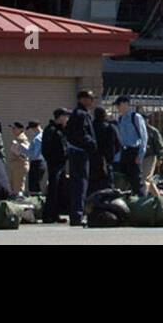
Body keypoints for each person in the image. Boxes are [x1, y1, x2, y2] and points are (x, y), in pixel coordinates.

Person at [64, 90, 97, 226]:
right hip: (80, 153)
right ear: (82, 99)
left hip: (76, 152)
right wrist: (92, 144)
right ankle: (78, 215)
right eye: (90, 98)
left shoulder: (77, 114)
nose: (92, 101)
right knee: (80, 184)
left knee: (78, 184)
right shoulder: (81, 114)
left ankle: (76, 214)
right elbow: (81, 134)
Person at [41, 109, 70, 223]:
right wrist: (52, 160)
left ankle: (56, 214)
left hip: (62, 163)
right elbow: (46, 149)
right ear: (60, 117)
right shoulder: (50, 130)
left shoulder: (61, 130)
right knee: (53, 189)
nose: (67, 119)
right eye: (65, 116)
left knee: (60, 190)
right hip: (54, 164)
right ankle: (48, 215)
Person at [114, 95, 148, 195]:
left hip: (134, 151)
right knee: (122, 180)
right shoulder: (120, 119)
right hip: (124, 152)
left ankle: (141, 203)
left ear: (125, 104)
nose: (117, 108)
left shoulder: (135, 117)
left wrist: (140, 155)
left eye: (118, 105)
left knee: (136, 181)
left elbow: (144, 137)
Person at [91, 107, 117, 192]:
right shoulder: (109, 127)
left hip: (91, 160)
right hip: (105, 160)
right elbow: (116, 144)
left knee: (92, 186)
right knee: (107, 186)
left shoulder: (90, 127)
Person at [6, 121, 30, 196]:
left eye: (14, 128)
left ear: (20, 129)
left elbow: (25, 154)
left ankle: (20, 204)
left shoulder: (21, 139)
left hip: (20, 165)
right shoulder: (18, 138)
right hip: (17, 166)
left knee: (18, 188)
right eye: (12, 128)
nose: (12, 130)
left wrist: (17, 150)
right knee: (14, 187)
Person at [24, 120, 45, 193]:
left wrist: (24, 151)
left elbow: (35, 154)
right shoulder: (44, 135)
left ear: (34, 128)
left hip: (36, 163)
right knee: (37, 184)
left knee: (33, 186)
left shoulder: (37, 139)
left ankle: (35, 202)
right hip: (43, 162)